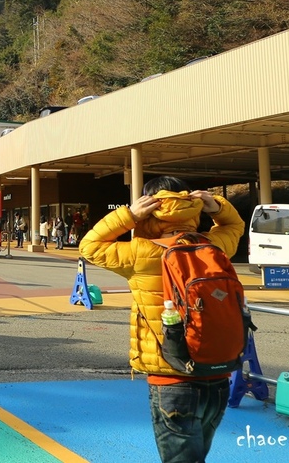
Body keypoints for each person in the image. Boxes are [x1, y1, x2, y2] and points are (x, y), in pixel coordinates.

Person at [78, 176, 243, 463]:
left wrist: (127, 215)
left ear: (148, 207)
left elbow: (89, 245)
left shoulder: (140, 253)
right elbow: (235, 226)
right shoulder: (213, 246)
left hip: (171, 377)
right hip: (217, 374)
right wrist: (216, 206)